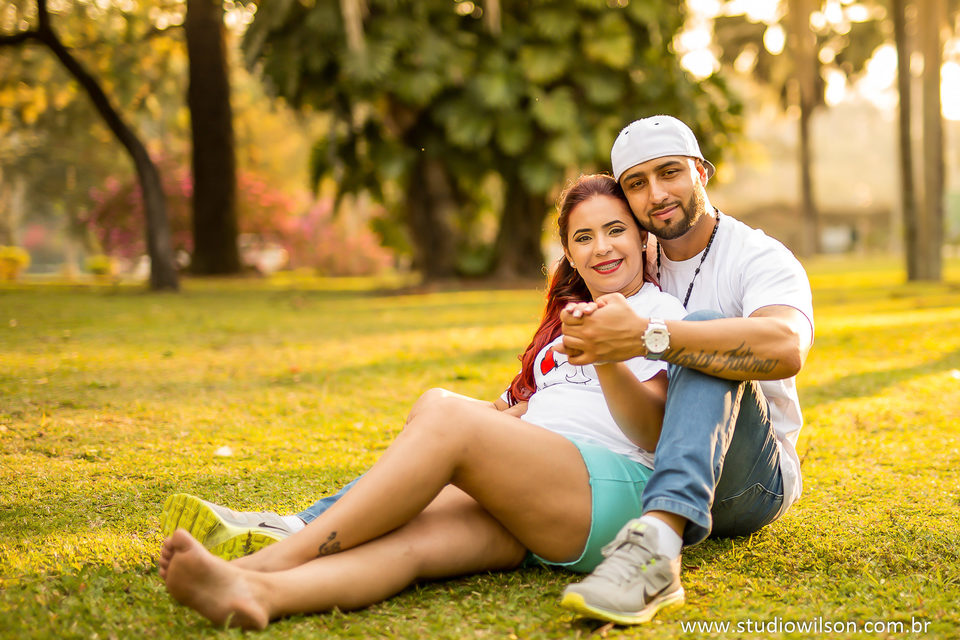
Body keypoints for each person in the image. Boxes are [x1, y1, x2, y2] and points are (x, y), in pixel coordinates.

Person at [158, 174, 688, 629]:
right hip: (541, 492)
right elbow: (536, 413)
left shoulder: (665, 314)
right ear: (569, 254)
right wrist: (462, 430)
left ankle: (269, 563)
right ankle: (258, 597)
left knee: (445, 409)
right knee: (411, 544)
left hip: (615, 494)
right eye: (584, 237)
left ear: (643, 238)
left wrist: (606, 356)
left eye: (616, 230)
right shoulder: (561, 332)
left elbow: (652, 431)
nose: (603, 247)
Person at [556, 115, 814, 625]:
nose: (656, 194)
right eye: (637, 183)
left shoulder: (757, 257)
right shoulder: (631, 254)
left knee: (706, 330)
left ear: (701, 170)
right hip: (645, 457)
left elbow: (786, 347)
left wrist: (654, 337)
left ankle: (656, 547)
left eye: (670, 172)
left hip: (749, 480)